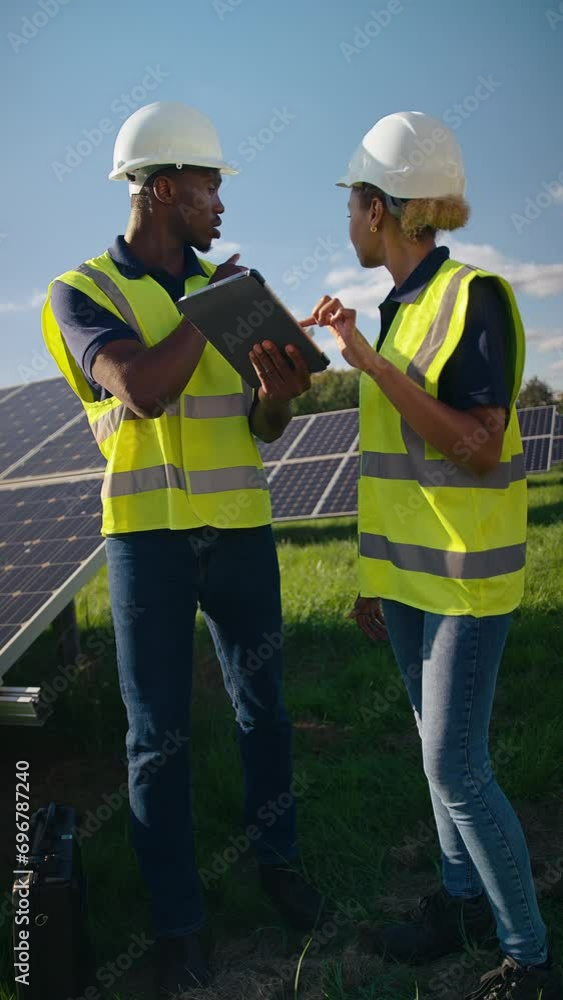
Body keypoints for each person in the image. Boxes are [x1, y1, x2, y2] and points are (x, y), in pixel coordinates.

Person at [42, 100, 322, 997]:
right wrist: (214, 308)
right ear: (163, 188)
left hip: (239, 529)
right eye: (207, 185)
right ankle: (177, 928)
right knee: (156, 741)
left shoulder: (224, 286)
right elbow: (144, 389)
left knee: (263, 709)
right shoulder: (78, 291)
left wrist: (275, 389)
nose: (219, 203)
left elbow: (265, 424)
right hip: (148, 545)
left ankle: (275, 863)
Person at [301, 112, 560, 999]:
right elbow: (398, 472)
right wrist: (375, 580)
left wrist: (371, 368)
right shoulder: (399, 308)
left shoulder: (472, 297)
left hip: (465, 583)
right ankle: (457, 904)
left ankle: (528, 955)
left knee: (456, 766)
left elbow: (477, 448)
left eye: (351, 202)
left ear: (377, 209)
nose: (347, 218)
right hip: (410, 580)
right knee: (431, 756)